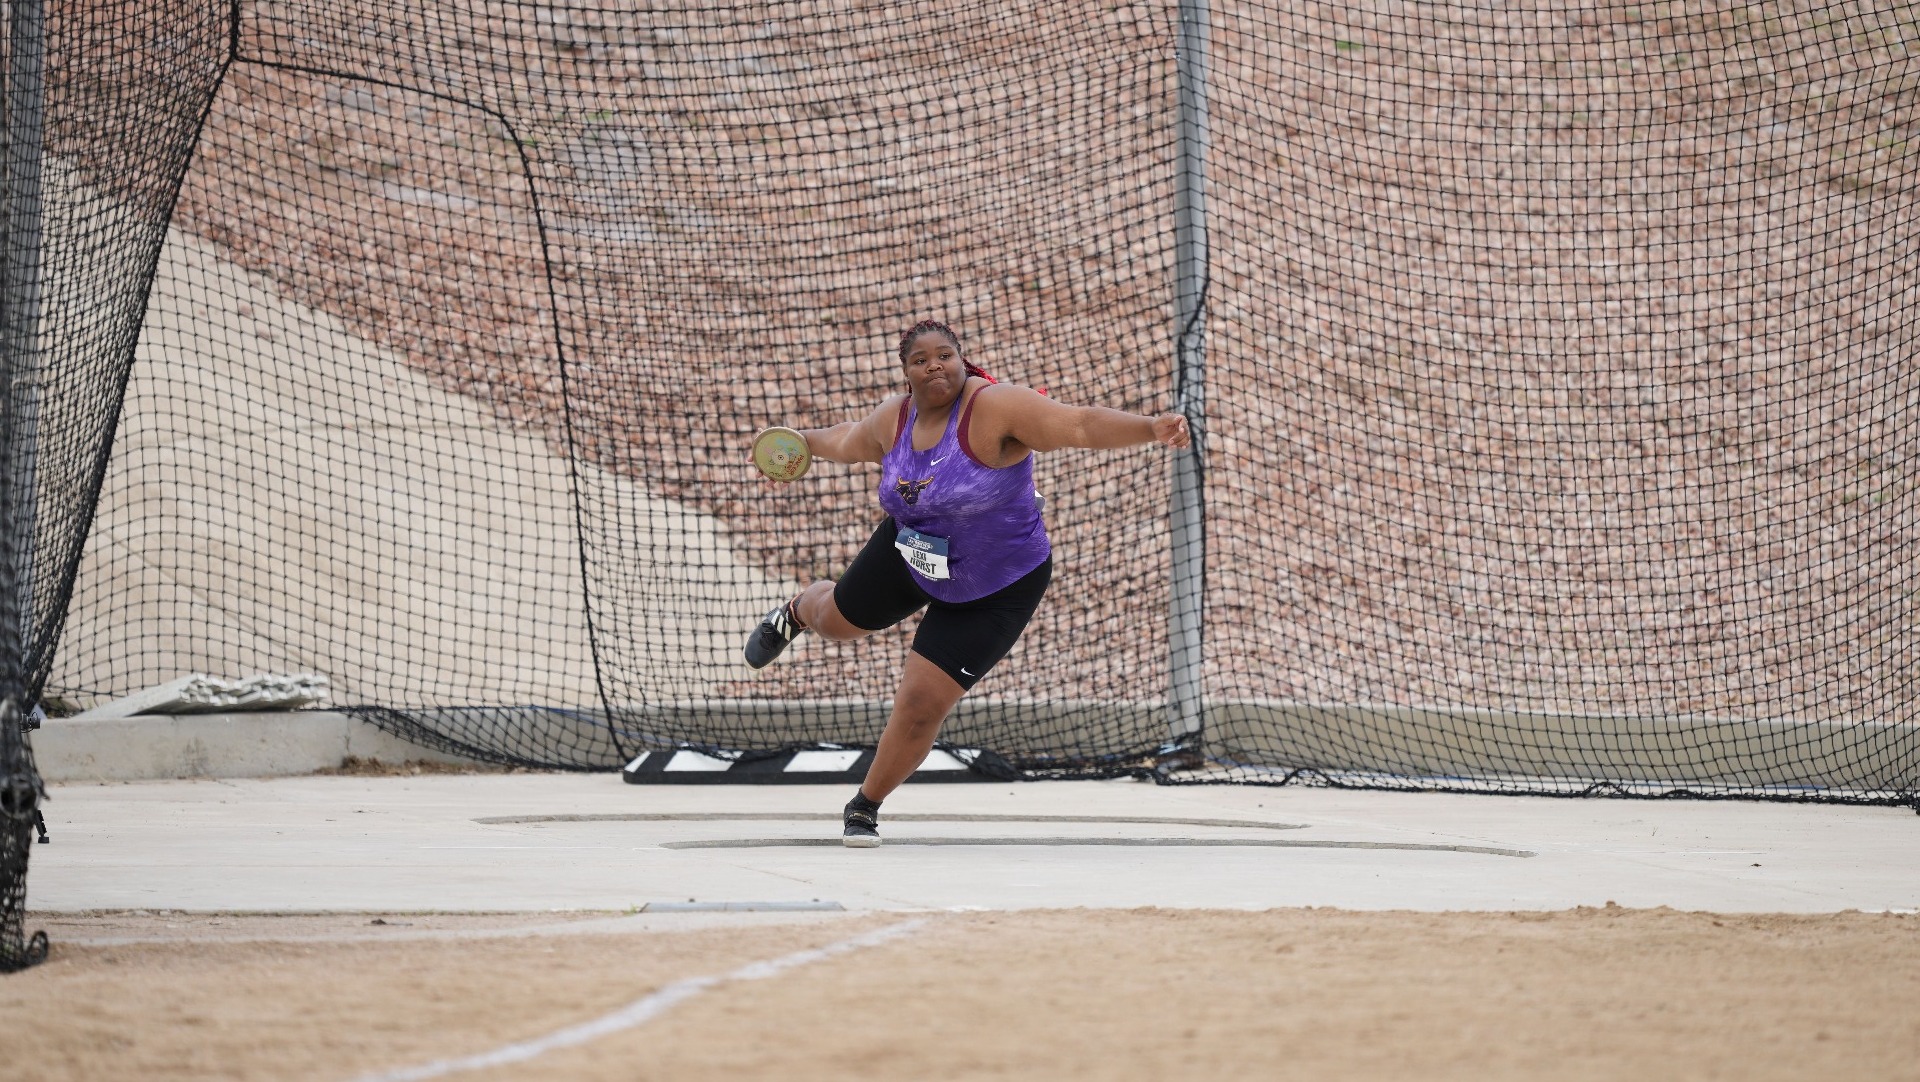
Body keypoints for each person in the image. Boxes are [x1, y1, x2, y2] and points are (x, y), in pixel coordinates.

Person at [744, 319, 1191, 846]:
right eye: (920, 359)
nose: (935, 365)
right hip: (911, 552)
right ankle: (795, 610)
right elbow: (844, 440)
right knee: (835, 624)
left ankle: (865, 805)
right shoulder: (895, 418)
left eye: (945, 355)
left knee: (919, 707)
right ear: (906, 372)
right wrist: (795, 444)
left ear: (962, 360)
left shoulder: (997, 409)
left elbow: (1079, 425)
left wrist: (1149, 428)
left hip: (996, 585)